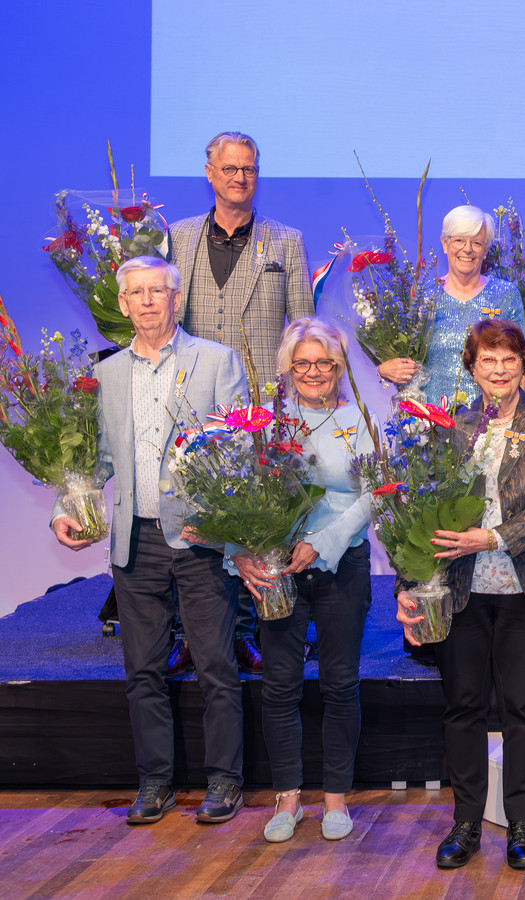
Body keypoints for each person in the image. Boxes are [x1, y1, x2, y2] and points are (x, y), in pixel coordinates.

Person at [51, 256, 248, 826]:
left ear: (175, 297)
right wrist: (68, 507)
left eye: (156, 291)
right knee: (142, 669)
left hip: (198, 537)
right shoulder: (109, 373)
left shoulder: (217, 362)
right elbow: (100, 458)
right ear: (121, 304)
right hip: (134, 541)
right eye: (134, 293)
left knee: (215, 665)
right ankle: (154, 783)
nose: (145, 302)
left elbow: (236, 449)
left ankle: (224, 781)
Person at [396, 319, 525, 872]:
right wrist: (414, 584)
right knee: (463, 707)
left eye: (508, 361)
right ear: (471, 368)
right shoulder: (451, 425)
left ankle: (522, 824)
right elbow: (423, 504)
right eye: (487, 362)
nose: (498, 371)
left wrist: (496, 537)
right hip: (461, 587)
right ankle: (467, 821)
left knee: (522, 707)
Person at [169, 130, 314, 674]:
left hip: (259, 408)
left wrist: (295, 405)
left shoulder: (285, 241)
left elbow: (302, 327)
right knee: (194, 517)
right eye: (229, 169)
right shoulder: (177, 239)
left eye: (249, 169)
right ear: (209, 173)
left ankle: (247, 634)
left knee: (255, 519)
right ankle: (191, 634)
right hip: (190, 405)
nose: (239, 178)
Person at [229, 317, 374, 843]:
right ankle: (287, 798)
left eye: (325, 363)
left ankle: (336, 800)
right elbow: (235, 494)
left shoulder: (360, 419)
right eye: (303, 363)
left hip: (342, 567)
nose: (314, 372)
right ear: (287, 369)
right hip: (277, 570)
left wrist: (325, 541)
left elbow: (374, 494)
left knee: (340, 684)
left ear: (340, 367)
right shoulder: (263, 425)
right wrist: (240, 554)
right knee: (279, 686)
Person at [377, 205, 525, 407]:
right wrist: (384, 369)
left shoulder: (505, 294)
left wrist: (520, 419)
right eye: (459, 240)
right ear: (445, 244)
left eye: (476, 242)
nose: (467, 249)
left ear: (486, 249)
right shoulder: (423, 297)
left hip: (491, 420)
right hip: (432, 423)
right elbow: (406, 361)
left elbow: (521, 366)